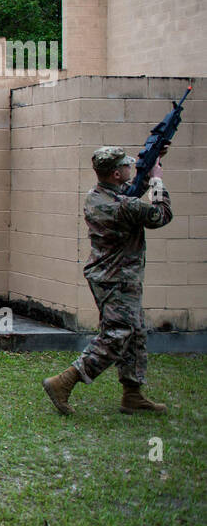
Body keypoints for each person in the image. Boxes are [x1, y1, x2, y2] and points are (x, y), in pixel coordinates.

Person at [43, 146, 172, 415]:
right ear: (116, 173)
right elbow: (161, 215)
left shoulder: (97, 196)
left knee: (134, 332)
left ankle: (132, 395)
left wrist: (149, 168)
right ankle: (64, 381)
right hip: (118, 279)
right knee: (116, 335)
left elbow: (129, 193)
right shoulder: (124, 206)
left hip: (110, 276)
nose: (131, 168)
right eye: (127, 166)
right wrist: (157, 178)